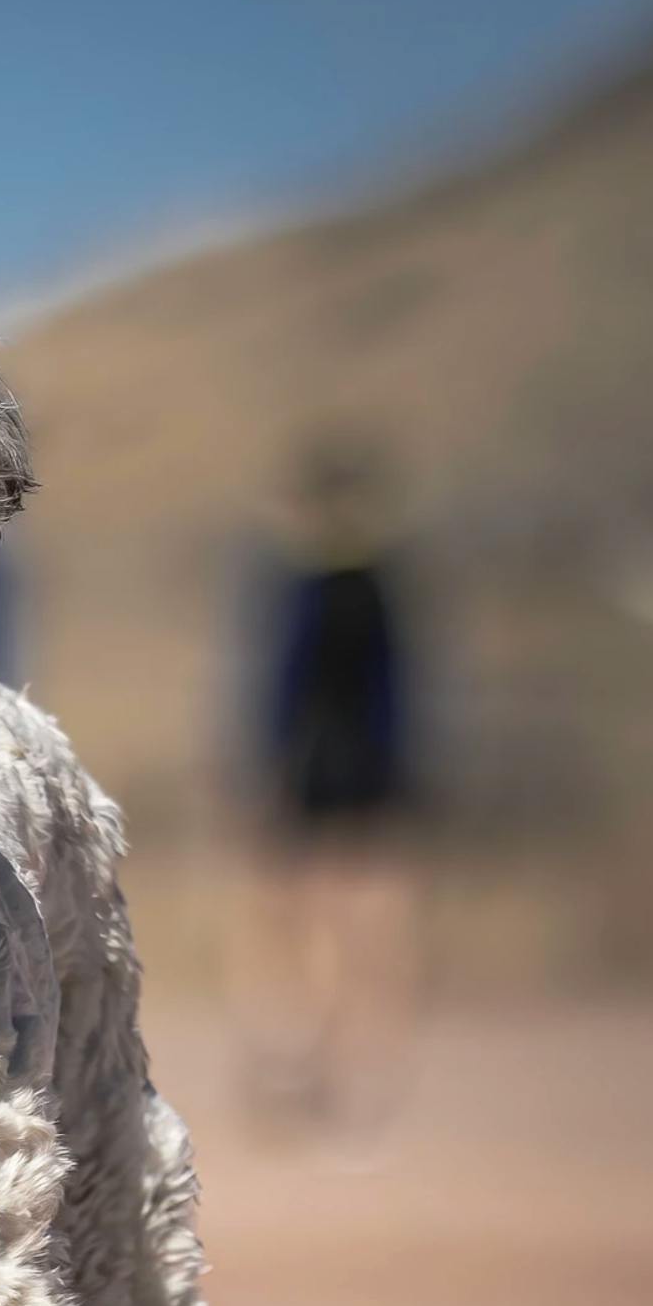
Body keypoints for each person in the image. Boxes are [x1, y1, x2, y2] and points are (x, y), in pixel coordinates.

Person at [232, 435, 425, 1130]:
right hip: (354, 775)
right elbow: (396, 695)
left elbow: (285, 695)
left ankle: (334, 1071)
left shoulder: (314, 587)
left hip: (328, 777)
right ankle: (342, 1074)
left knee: (332, 929)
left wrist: (265, 777)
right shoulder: (369, 581)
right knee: (352, 932)